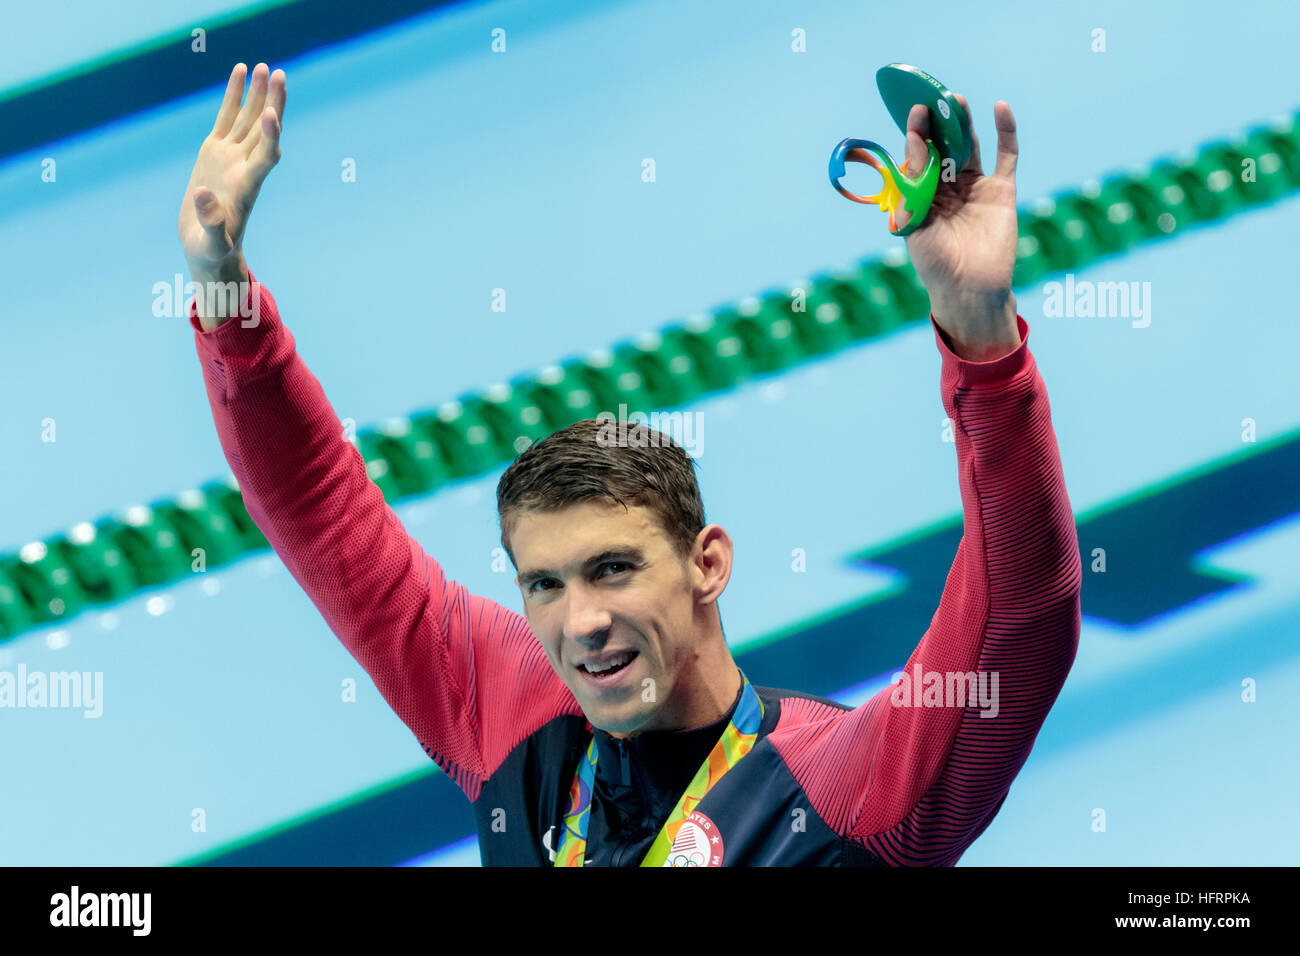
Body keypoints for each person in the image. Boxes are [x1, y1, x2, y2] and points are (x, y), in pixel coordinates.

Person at [178, 62, 1081, 866]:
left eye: (613, 569)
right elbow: (320, 515)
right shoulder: (515, 714)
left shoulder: (835, 797)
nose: (584, 623)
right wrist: (219, 280)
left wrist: (980, 337)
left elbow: (1022, 619)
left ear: (708, 563)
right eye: (545, 585)